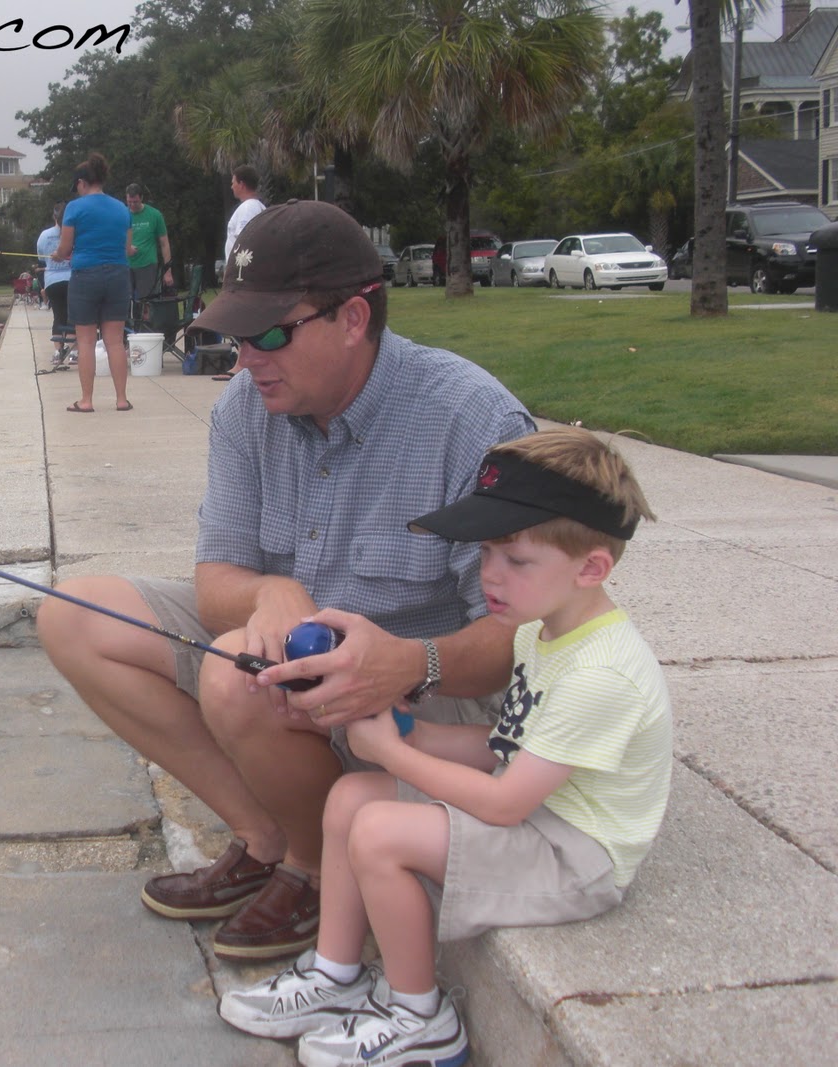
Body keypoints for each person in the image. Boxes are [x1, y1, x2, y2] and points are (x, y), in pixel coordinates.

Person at [36, 200, 535, 961]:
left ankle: (316, 872)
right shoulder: (246, 407)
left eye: (270, 333)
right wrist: (273, 593)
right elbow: (215, 579)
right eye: (236, 334)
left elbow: (526, 638)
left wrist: (408, 661)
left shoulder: (470, 420)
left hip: (422, 699)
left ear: (354, 318)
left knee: (237, 674)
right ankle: (269, 838)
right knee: (74, 614)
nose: (247, 357)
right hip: (293, 675)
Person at [221, 426, 671, 1067]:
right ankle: (335, 973)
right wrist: (407, 728)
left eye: (517, 561)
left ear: (592, 567)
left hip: (576, 855)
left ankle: (421, 1018)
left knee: (379, 830)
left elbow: (507, 801)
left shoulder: (600, 674)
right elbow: (504, 744)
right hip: (542, 814)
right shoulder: (539, 633)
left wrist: (394, 754)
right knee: (352, 795)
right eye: (487, 552)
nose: (491, 575)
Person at [54, 153, 133, 413]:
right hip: (119, 275)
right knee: (115, 340)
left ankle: (86, 400)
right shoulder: (122, 208)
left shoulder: (75, 208)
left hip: (86, 275)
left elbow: (65, 249)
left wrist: (57, 254)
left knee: (86, 340)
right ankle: (121, 399)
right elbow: (126, 247)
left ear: (81, 183)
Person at [36, 203, 74, 366]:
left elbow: (41, 259)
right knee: (74, 316)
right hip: (73, 280)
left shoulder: (44, 235)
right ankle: (74, 353)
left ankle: (58, 352)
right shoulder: (74, 234)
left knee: (58, 315)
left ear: (54, 217)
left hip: (52, 281)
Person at [124, 183, 173, 303]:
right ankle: (130, 321)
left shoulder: (154, 215)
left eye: (135, 202)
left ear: (141, 198)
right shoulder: (122, 215)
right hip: (125, 265)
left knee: (148, 302)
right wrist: (127, 248)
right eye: (129, 202)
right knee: (125, 302)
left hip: (147, 265)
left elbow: (164, 243)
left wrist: (168, 271)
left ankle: (147, 321)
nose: (132, 205)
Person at [225, 165, 266, 263]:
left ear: (241, 184)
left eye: (233, 183)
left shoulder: (248, 208)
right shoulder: (259, 206)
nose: (231, 187)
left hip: (241, 270)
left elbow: (244, 239)